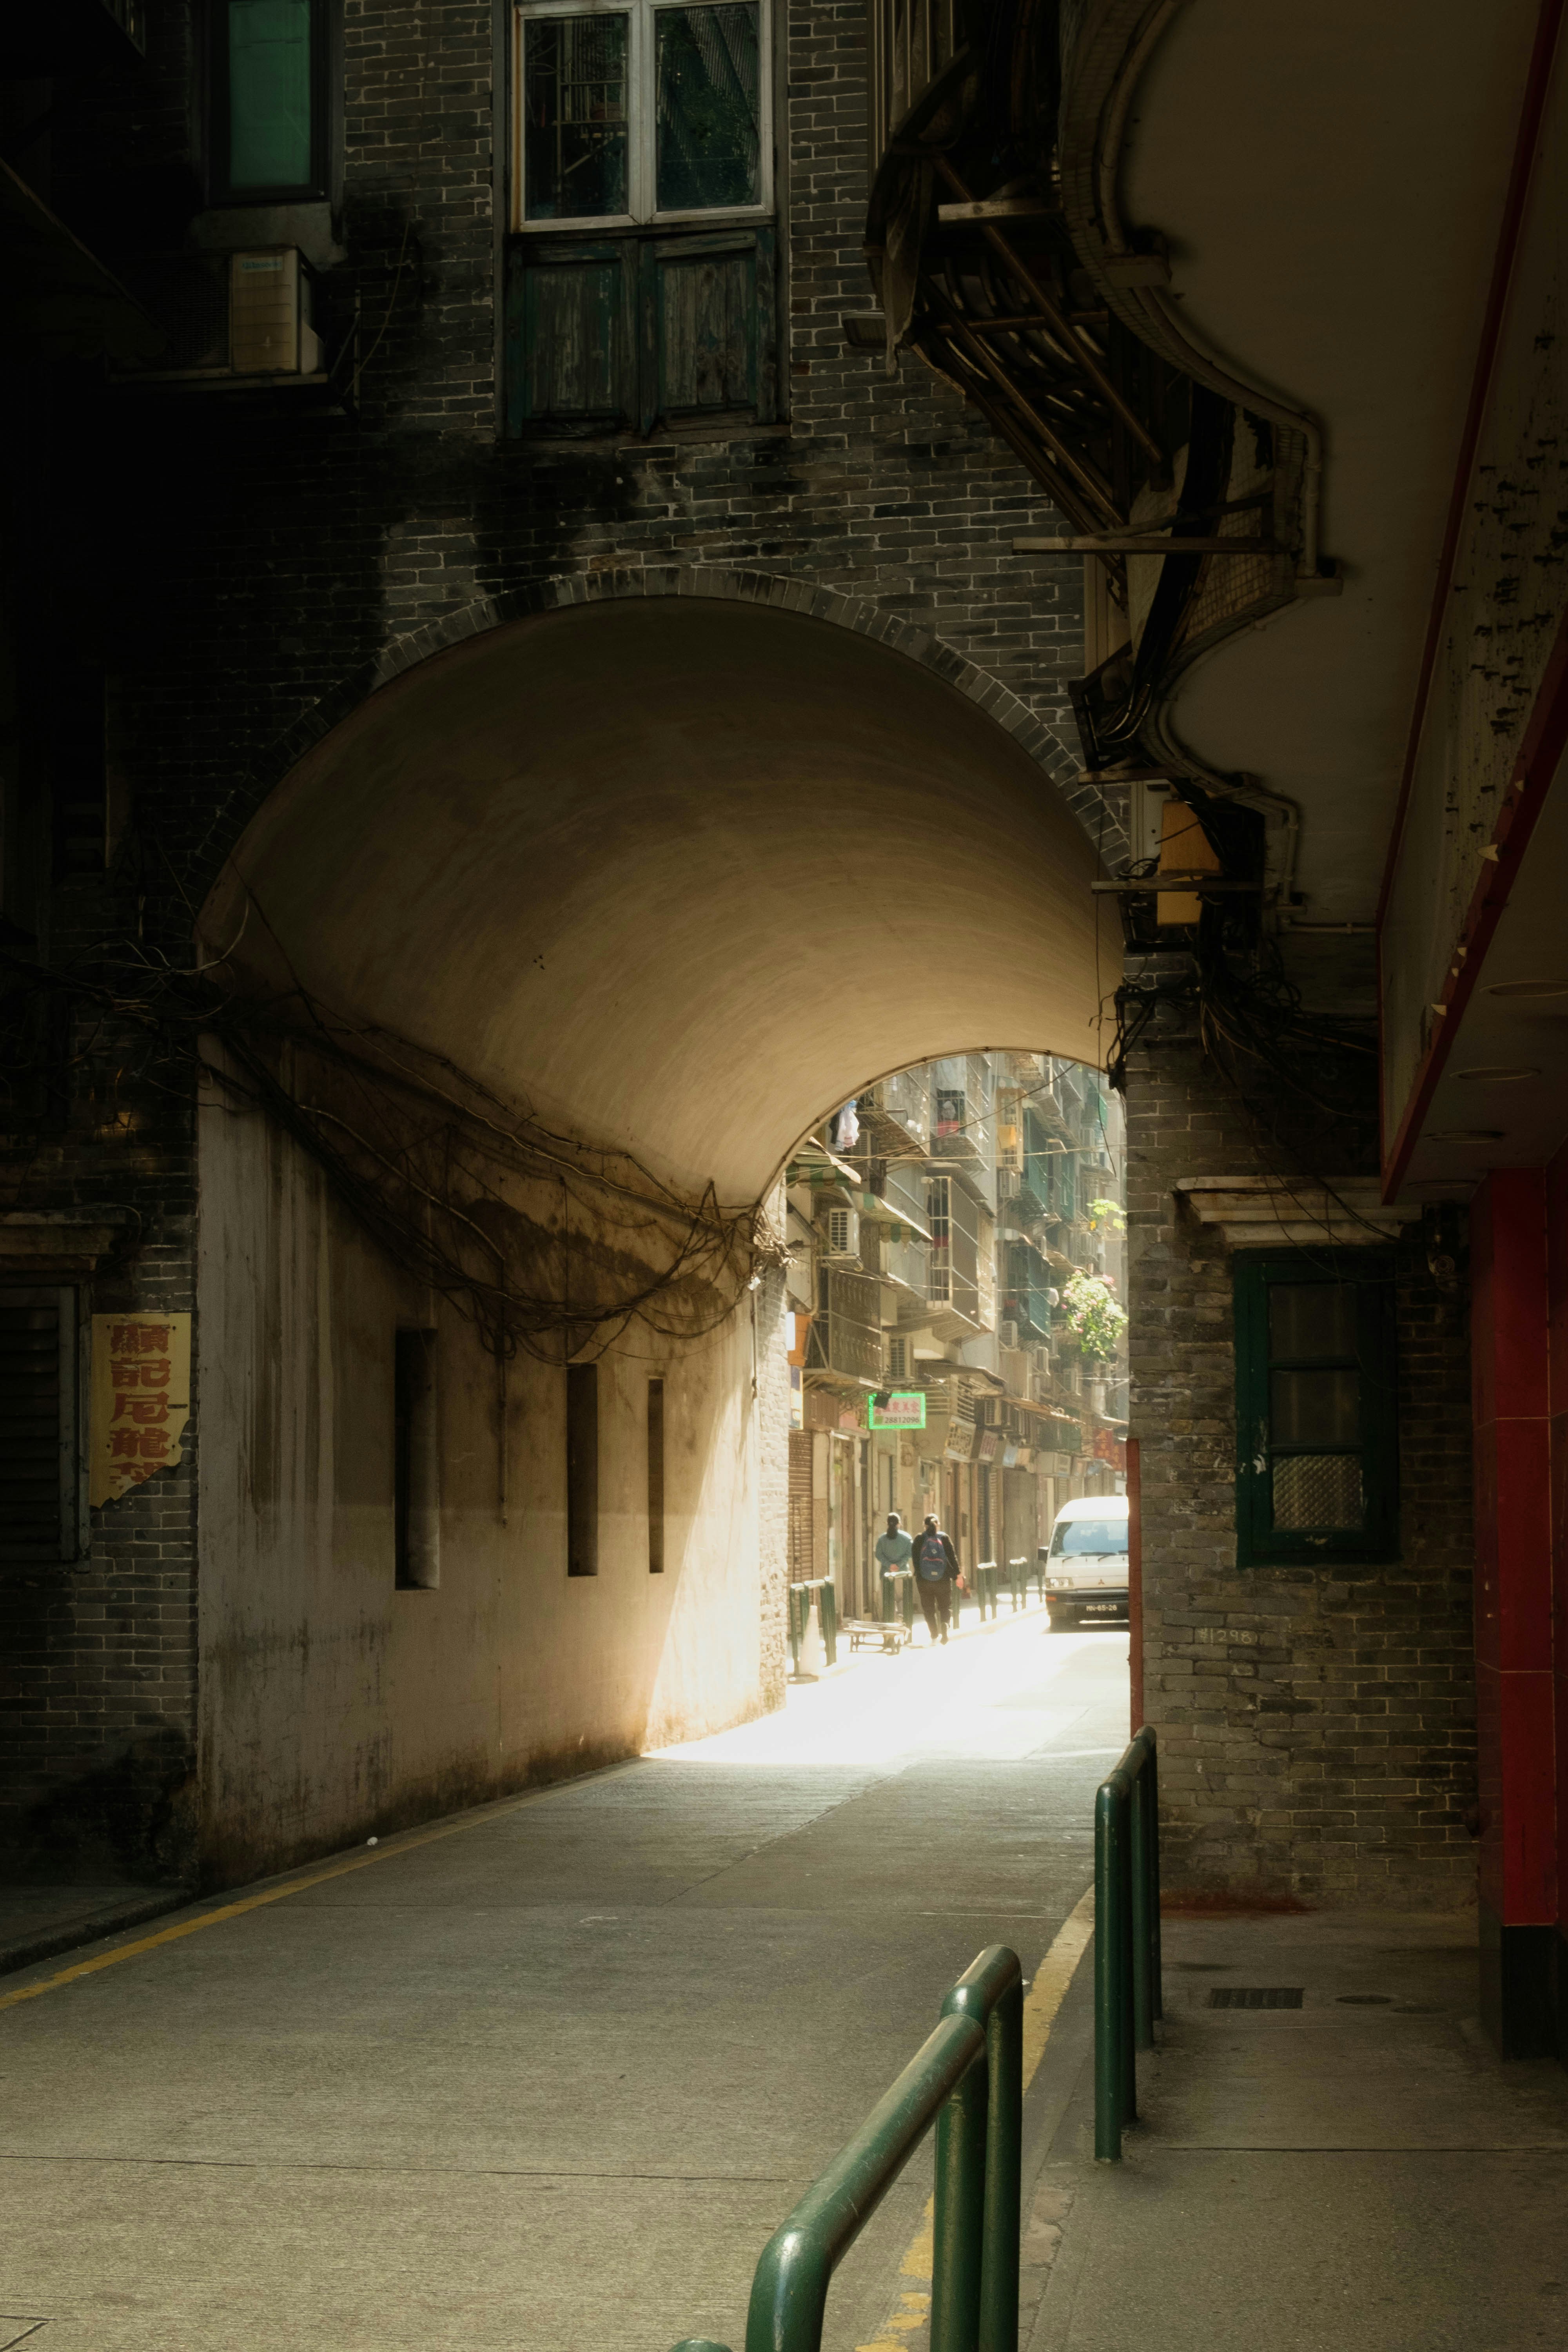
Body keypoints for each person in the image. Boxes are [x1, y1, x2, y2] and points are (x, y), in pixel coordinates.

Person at [912, 1514, 960, 1644]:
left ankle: (934, 1635)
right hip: (943, 1579)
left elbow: (916, 1561)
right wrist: (957, 1575)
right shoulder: (944, 1538)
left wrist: (920, 1575)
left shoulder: (919, 1539)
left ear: (924, 1526)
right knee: (945, 1607)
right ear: (937, 1525)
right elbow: (952, 1558)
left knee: (929, 1610)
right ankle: (945, 1624)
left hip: (924, 1581)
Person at [874, 1512, 913, 1612]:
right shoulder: (907, 1538)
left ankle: (889, 1622)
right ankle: (903, 1621)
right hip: (902, 1573)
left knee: (888, 1600)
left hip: (886, 1573)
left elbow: (878, 1555)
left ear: (887, 1524)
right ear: (899, 1524)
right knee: (902, 1599)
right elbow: (910, 1554)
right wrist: (899, 1565)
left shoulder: (882, 1539)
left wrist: (889, 1565)